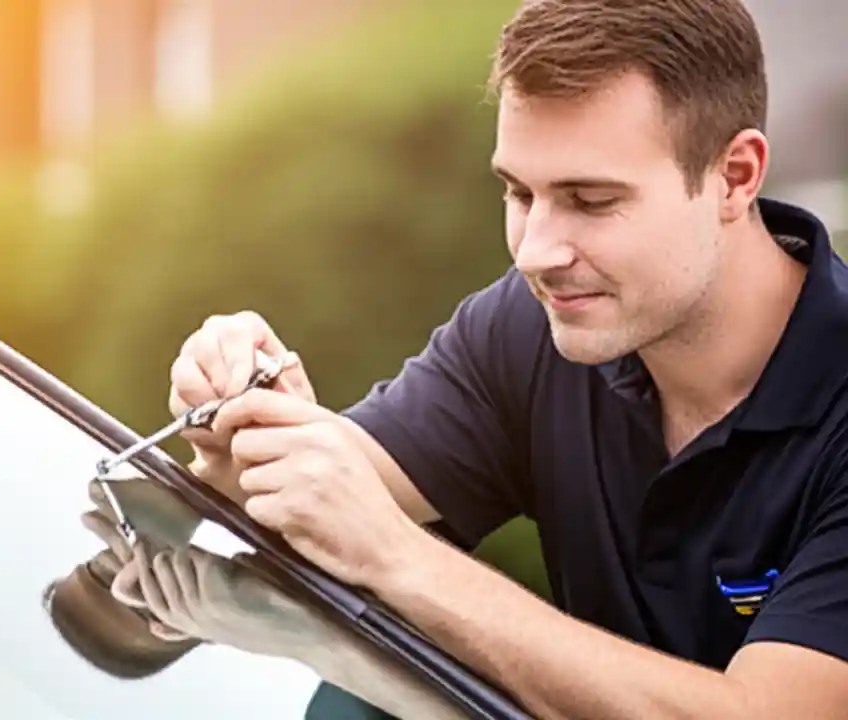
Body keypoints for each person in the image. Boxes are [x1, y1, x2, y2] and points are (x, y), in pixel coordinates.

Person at [95, 1, 848, 717]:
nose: (538, 253)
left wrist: (399, 559)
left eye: (590, 200)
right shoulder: (537, 328)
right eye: (520, 193)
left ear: (736, 176)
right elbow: (320, 508)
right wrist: (247, 436)